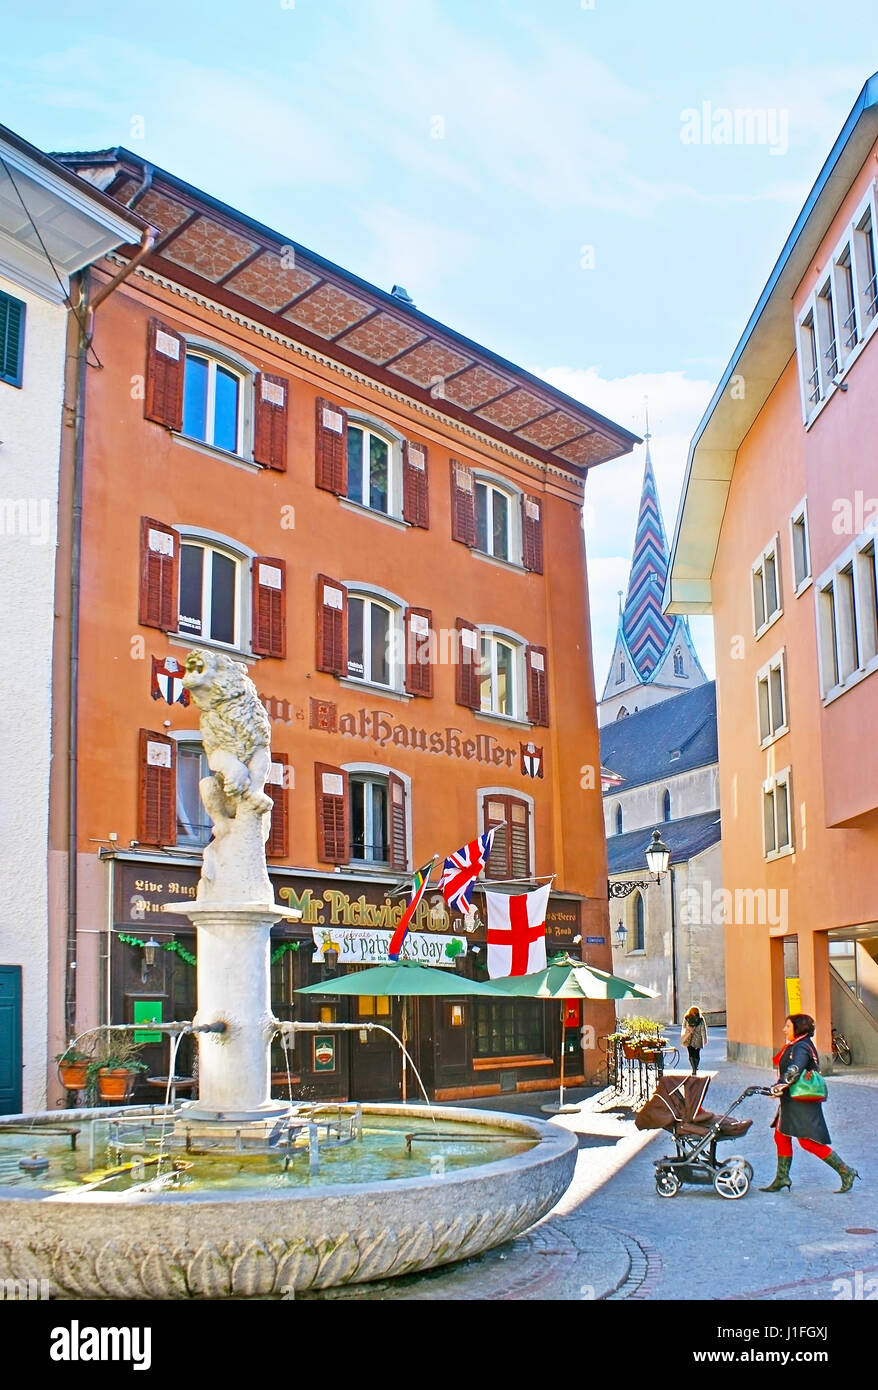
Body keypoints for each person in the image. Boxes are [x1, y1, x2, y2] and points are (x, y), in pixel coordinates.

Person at [760, 1013, 859, 1194]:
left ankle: (846, 1171)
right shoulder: (797, 1045)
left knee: (807, 1142)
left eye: (788, 1026)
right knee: (781, 1136)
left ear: (798, 1029)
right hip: (791, 1100)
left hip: (801, 1101)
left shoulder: (801, 1047)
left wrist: (779, 1086)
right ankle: (782, 1177)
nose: (784, 1029)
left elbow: (794, 1070)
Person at [680, 1005, 708, 1074]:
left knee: (690, 1054)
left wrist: (685, 1034)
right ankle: (696, 1066)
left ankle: (694, 1069)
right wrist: (705, 1039)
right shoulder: (701, 1019)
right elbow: (703, 1030)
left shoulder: (687, 1018)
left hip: (688, 1037)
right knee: (697, 1054)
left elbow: (683, 1027)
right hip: (698, 1039)